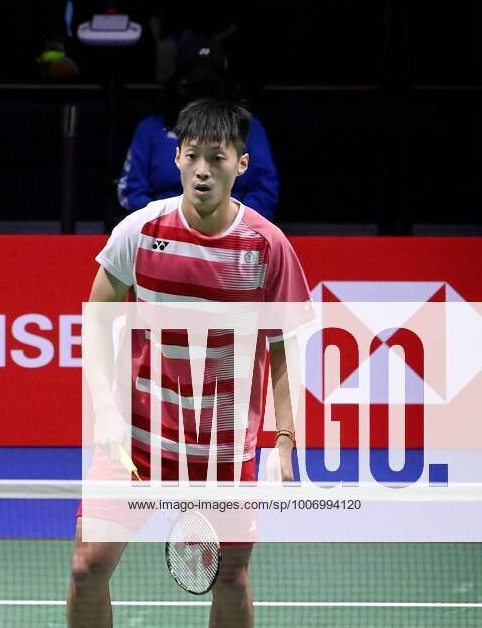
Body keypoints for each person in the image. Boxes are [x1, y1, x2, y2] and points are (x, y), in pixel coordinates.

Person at [68, 99, 309, 626]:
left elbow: (284, 349)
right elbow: (96, 321)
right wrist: (105, 412)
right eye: (193, 156)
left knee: (232, 576)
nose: (203, 171)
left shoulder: (267, 247)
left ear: (240, 165)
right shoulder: (138, 231)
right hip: (137, 437)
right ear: (176, 157)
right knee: (87, 567)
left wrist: (285, 441)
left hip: (223, 448)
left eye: (217, 159)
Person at [117, 37, 279, 220]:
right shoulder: (150, 128)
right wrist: (167, 223)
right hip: (163, 232)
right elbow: (132, 190)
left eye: (210, 81)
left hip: (233, 229)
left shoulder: (248, 126)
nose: (202, 90)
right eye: (194, 80)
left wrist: (231, 224)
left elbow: (265, 190)